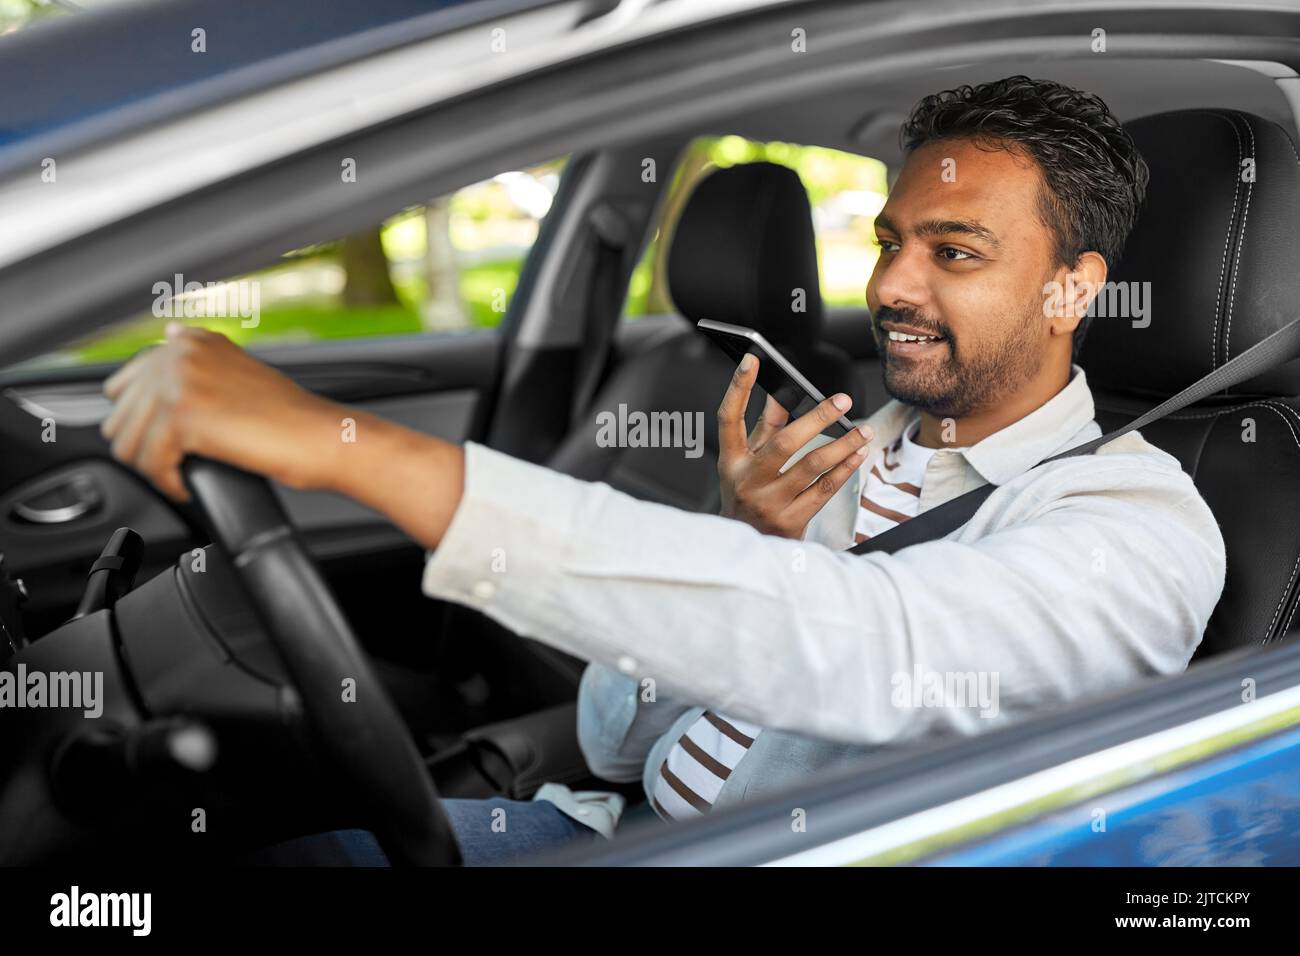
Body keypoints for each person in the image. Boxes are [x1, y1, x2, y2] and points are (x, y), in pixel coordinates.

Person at [100, 76, 1225, 864]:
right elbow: (611, 742)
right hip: (599, 822)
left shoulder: (1134, 522)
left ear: (1074, 289)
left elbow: (886, 646)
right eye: (890, 240)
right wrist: (744, 539)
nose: (891, 285)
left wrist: (363, 452)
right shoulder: (846, 443)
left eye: (955, 252)